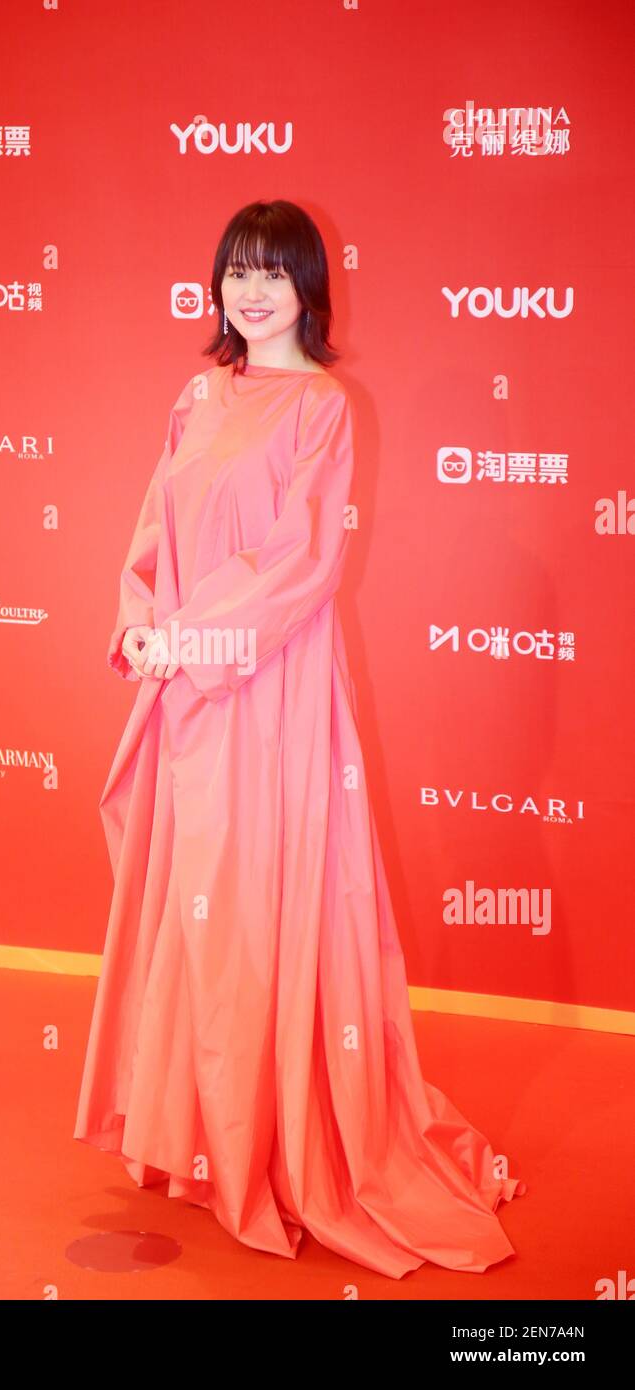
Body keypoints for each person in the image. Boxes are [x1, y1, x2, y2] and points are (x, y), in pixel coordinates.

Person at [74, 199, 526, 1278]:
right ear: (217, 284)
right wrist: (140, 624)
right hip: (184, 688)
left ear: (308, 289)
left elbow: (300, 565)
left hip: (266, 693)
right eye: (237, 269)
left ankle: (277, 1147)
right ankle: (192, 1132)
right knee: (194, 910)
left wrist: (184, 635)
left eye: (274, 272)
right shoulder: (195, 394)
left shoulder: (322, 407)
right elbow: (149, 536)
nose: (252, 289)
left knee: (253, 911)